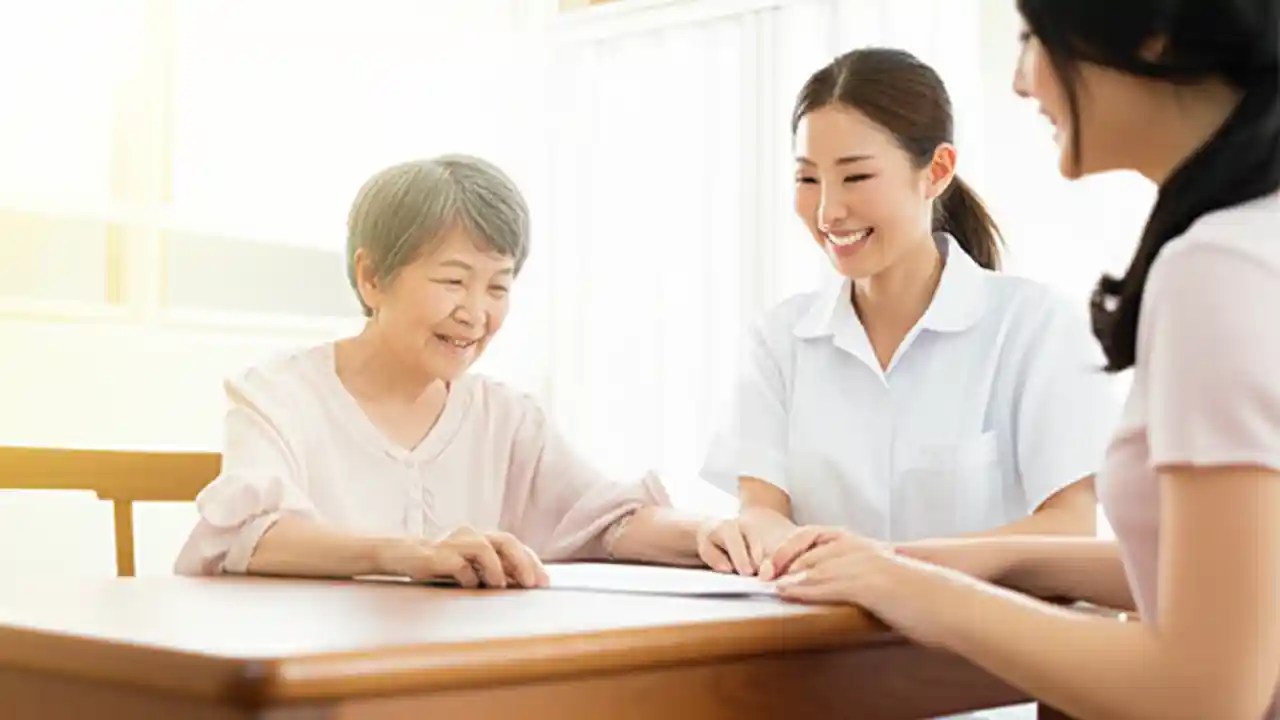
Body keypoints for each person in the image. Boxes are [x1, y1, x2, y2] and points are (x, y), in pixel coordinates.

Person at [767, 1, 1280, 717]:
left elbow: (1206, 690)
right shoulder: (1254, 240)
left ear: (1156, 33)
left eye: (1034, 39)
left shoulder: (1217, 269)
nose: (1019, 80)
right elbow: (1240, 582)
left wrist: (911, 589)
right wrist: (977, 559)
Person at [175, 155, 705, 587]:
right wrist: (406, 555)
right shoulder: (278, 395)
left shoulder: (507, 417)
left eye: (498, 287)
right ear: (371, 277)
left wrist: (712, 534)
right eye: (453, 281)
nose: (475, 313)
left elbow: (605, 518)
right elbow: (246, 534)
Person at [697, 48, 1115, 577]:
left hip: (981, 653)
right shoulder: (778, 340)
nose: (828, 211)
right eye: (808, 180)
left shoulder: (1035, 327)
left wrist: (888, 567)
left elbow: (1069, 529)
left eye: (855, 178)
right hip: (816, 647)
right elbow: (761, 510)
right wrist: (754, 540)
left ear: (936, 172)